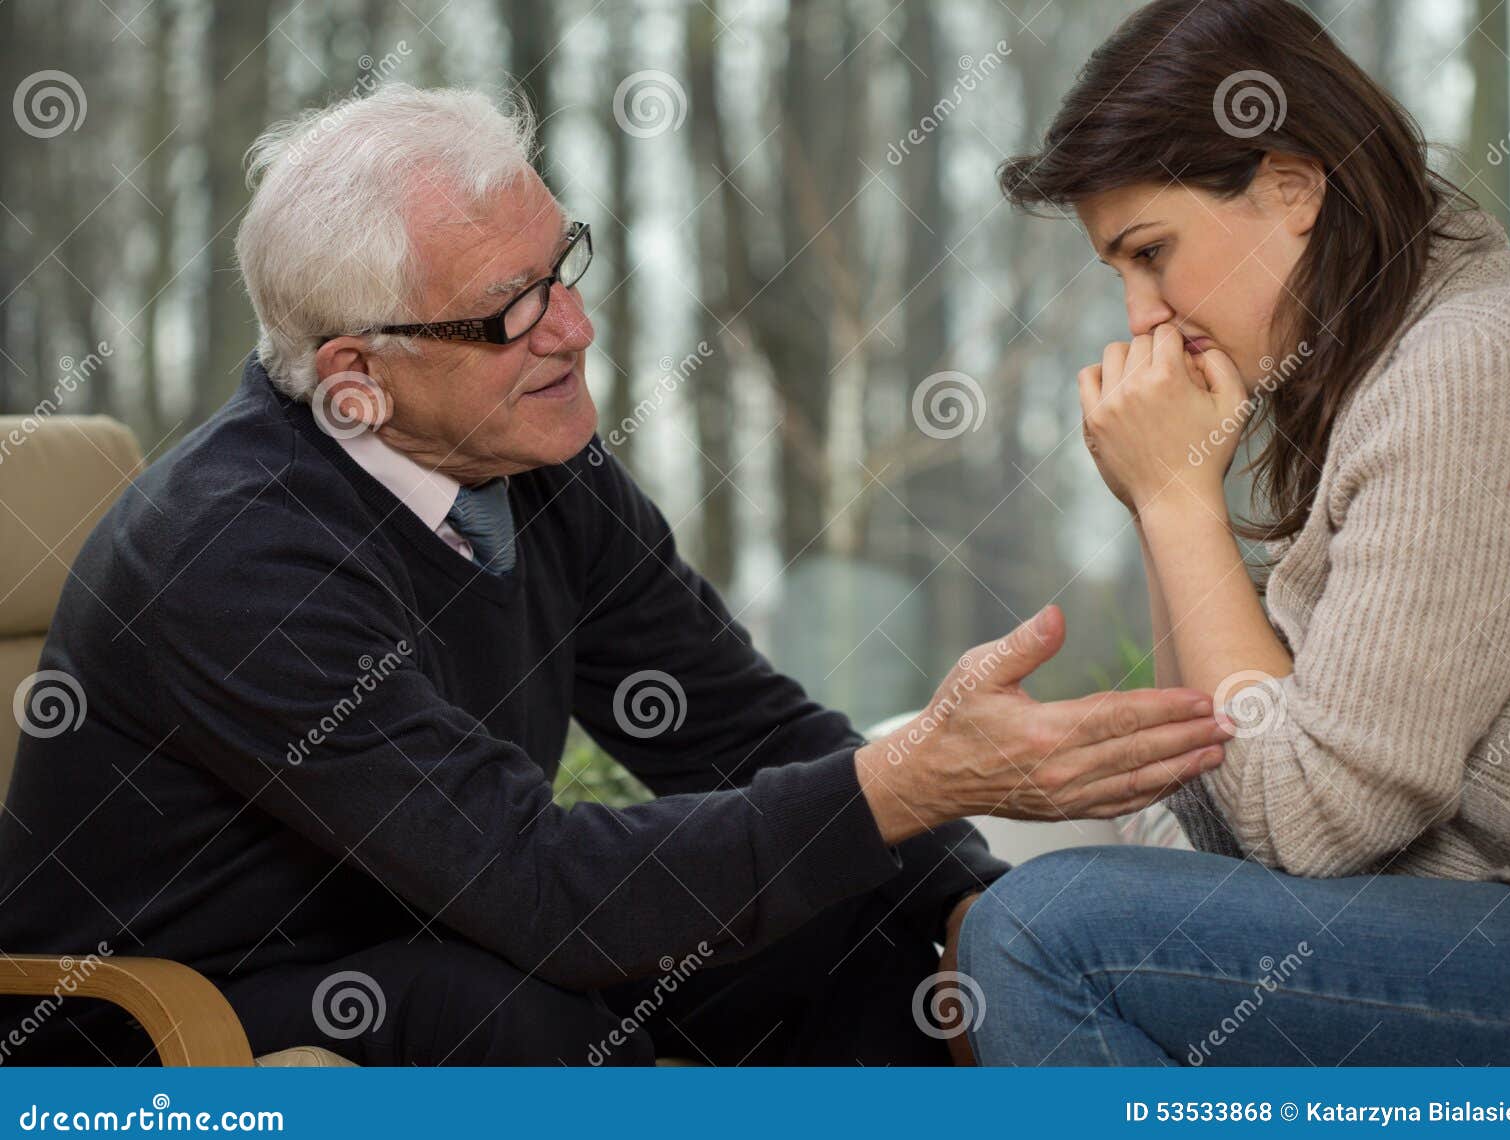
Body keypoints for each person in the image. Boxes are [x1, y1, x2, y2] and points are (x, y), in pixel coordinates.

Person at [0, 85, 1230, 1066]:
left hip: (439, 916)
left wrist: (972, 908)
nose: (573, 325)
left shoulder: (532, 456)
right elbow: (540, 889)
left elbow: (739, 731)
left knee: (861, 926)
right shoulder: (233, 550)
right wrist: (909, 774)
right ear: (353, 375)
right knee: (522, 1015)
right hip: (158, 1020)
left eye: (563, 264)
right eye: (508, 310)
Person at [961, 0, 1510, 1065]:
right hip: (1502, 929)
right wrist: (1163, 498)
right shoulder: (1388, 367)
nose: (1140, 318)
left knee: (1042, 932)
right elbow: (1224, 794)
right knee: (1025, 903)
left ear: (1291, 184)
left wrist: (1176, 500)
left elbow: (1310, 831)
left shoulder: (1476, 369)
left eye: (1150, 251)